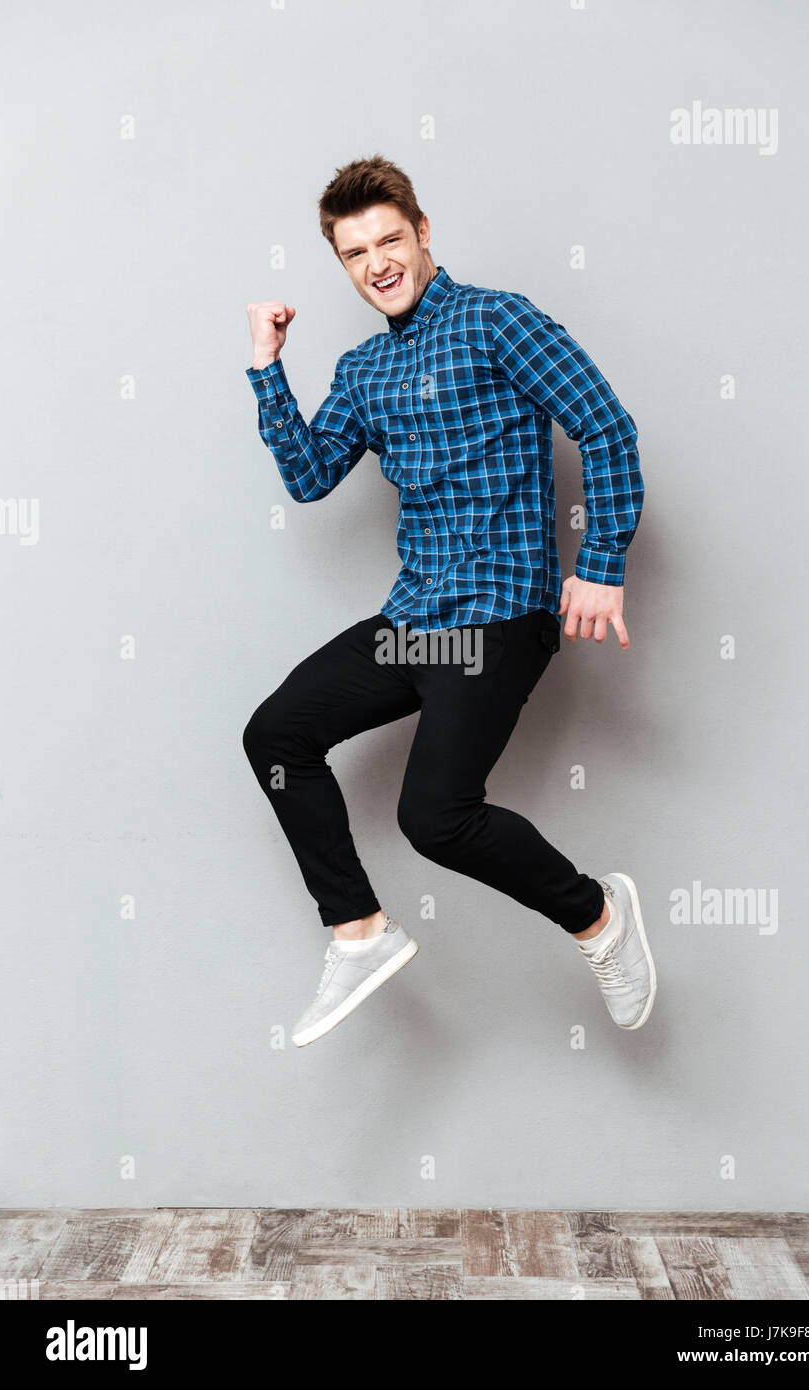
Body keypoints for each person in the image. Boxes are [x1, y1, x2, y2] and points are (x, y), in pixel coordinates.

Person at [242, 154, 656, 1048]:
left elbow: (605, 426)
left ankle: (599, 918)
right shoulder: (360, 370)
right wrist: (268, 368)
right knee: (275, 734)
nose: (378, 262)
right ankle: (358, 931)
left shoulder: (497, 321)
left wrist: (604, 561)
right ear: (344, 268)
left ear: (423, 234)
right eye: (356, 254)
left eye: (390, 239)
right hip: (417, 627)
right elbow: (312, 477)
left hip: (498, 620)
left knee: (434, 818)